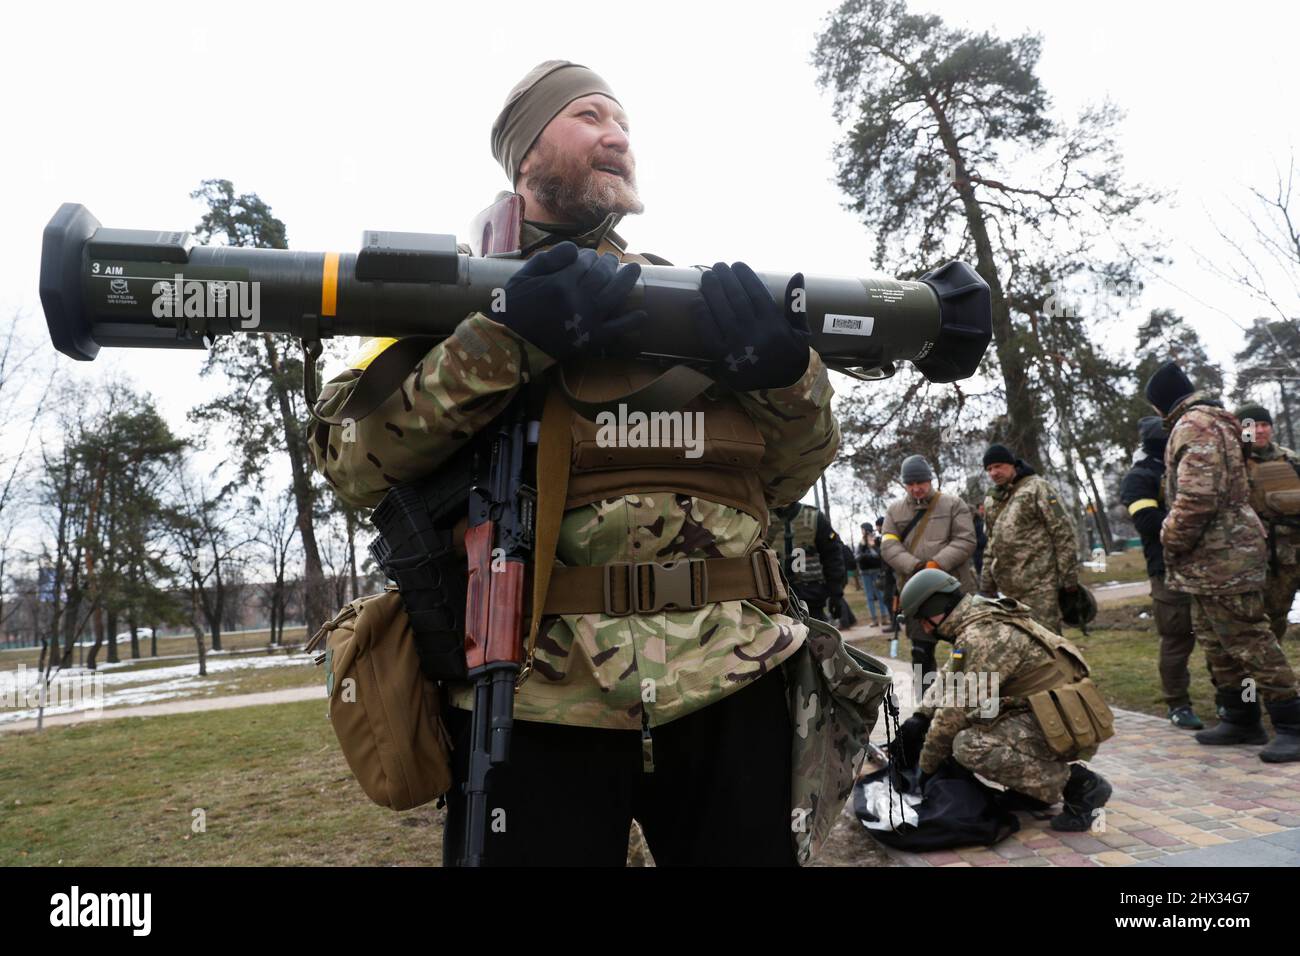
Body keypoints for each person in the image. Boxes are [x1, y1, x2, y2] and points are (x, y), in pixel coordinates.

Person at [311, 60, 852, 864]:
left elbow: (787, 473)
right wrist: (505, 339)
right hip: (532, 696)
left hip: (732, 677)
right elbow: (354, 462)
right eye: (590, 117)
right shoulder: (451, 300)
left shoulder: (686, 298)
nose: (617, 137)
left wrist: (789, 377)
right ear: (526, 153)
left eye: (624, 124)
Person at [1145, 362, 1300, 761]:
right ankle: (1241, 717)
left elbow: (1197, 499)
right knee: (1217, 641)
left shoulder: (1196, 426)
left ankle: (1292, 723)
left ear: (1163, 403)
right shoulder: (1211, 422)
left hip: (1222, 557)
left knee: (1250, 640)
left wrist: (1169, 538)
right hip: (1207, 560)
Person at [891, 569, 1114, 832]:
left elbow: (956, 711)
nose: (925, 628)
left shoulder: (982, 636)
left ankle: (1080, 787)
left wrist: (926, 768)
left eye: (923, 619)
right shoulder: (980, 617)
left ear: (937, 607)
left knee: (968, 744)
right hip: (1056, 713)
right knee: (973, 721)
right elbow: (950, 674)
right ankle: (1033, 791)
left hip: (1066, 723)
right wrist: (920, 717)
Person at [1119, 416, 1206, 729]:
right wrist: (1193, 526)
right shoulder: (1141, 476)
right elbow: (1147, 523)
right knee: (1177, 638)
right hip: (1168, 571)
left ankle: (1236, 703)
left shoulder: (1189, 465)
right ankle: (1178, 704)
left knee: (1222, 637)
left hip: (1210, 568)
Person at [880, 454, 977, 675]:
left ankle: (971, 703)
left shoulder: (953, 504)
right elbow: (888, 545)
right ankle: (924, 706)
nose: (915, 488)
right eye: (910, 484)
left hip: (955, 591)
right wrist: (915, 566)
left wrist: (936, 564)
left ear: (930, 480)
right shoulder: (894, 511)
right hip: (916, 595)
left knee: (968, 651)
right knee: (921, 655)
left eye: (920, 482)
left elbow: (966, 540)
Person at [980, 444, 1081, 634]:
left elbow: (1063, 532)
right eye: (989, 469)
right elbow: (991, 544)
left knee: (1047, 643)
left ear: (1012, 465)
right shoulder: (992, 500)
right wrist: (987, 584)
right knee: (1020, 647)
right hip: (1009, 591)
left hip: (1040, 585)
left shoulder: (1038, 488)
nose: (994, 472)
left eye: (999, 466)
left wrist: (1069, 578)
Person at [1235, 403, 1300, 643]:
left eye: (1264, 425)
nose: (1260, 430)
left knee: (1279, 614)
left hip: (1289, 556)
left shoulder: (1290, 460)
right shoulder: (1234, 465)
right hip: (1251, 557)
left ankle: (1274, 672)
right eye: (1252, 426)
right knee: (1253, 620)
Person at [765, 501, 847, 624]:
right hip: (772, 603)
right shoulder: (761, 518)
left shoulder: (814, 517)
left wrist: (836, 594)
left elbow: (833, 557)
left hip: (811, 601)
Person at [857, 524, 888, 627]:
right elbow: (857, 557)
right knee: (869, 596)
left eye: (863, 530)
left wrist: (872, 546)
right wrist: (866, 551)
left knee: (880, 595)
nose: (862, 532)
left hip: (876, 571)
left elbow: (879, 555)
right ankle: (874, 620)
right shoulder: (861, 543)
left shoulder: (876, 541)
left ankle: (885, 618)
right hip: (865, 572)